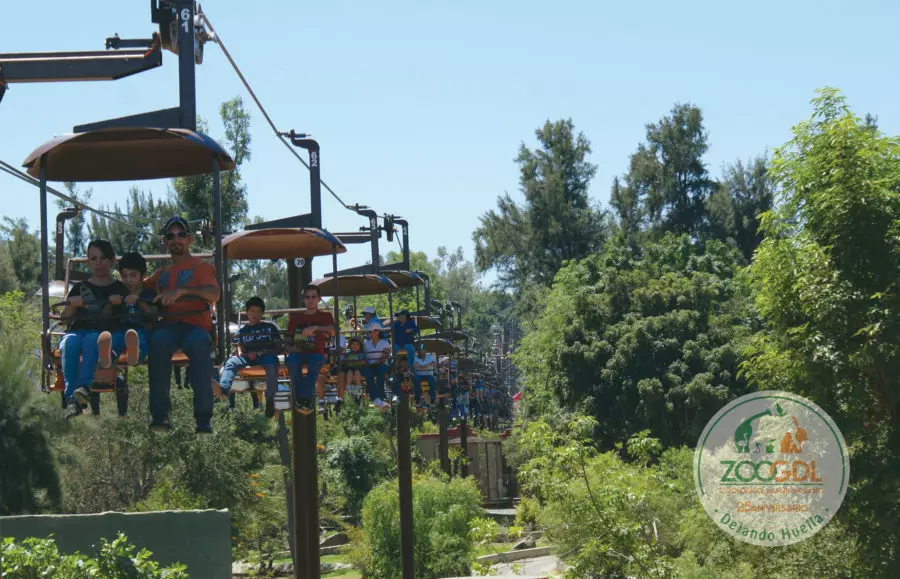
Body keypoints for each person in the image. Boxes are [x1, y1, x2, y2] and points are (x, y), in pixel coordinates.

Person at [145, 216, 220, 433]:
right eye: (170, 236)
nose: (175, 239)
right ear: (165, 242)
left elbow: (214, 293)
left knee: (198, 345)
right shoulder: (161, 275)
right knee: (157, 342)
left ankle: (203, 417)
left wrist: (183, 291)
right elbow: (137, 288)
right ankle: (160, 415)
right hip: (168, 327)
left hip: (195, 327)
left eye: (180, 235)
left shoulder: (202, 268)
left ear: (188, 239)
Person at [59, 239, 128, 419]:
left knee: (92, 340)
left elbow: (127, 316)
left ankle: (83, 387)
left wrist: (115, 304)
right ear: (88, 261)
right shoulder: (80, 288)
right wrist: (73, 305)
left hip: (103, 333)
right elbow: (64, 318)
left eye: (103, 258)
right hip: (78, 330)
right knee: (68, 343)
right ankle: (71, 400)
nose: (98, 263)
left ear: (112, 261)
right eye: (93, 258)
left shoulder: (119, 288)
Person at [219, 296, 282, 418]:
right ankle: (224, 388)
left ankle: (270, 399)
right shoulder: (242, 331)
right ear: (247, 312)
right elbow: (239, 347)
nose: (255, 314)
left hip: (266, 356)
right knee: (231, 362)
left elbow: (278, 347)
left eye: (258, 311)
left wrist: (263, 352)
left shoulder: (270, 327)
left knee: (272, 363)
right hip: (248, 358)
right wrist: (245, 353)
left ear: (262, 313)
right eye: (252, 311)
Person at [285, 284, 335, 415]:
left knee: (314, 367)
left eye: (313, 297)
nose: (310, 299)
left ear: (319, 299)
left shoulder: (326, 316)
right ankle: (304, 402)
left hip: (316, 352)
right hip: (298, 352)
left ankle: (301, 401)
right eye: (307, 297)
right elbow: (289, 338)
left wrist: (316, 328)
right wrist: (291, 348)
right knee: (292, 363)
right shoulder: (295, 318)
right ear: (304, 300)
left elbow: (333, 330)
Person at [363, 322, 391, 410]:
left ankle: (379, 398)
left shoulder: (384, 343)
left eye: (371, 332)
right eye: (369, 332)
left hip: (381, 364)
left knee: (380, 372)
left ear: (378, 332)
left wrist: (372, 363)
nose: (370, 334)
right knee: (367, 373)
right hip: (370, 365)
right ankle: (377, 398)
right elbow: (364, 356)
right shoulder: (366, 344)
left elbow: (384, 357)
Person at [391, 309, 417, 374]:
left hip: (407, 343)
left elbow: (416, 330)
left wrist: (411, 330)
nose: (399, 317)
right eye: (399, 316)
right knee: (394, 348)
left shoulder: (410, 323)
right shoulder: (395, 324)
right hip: (397, 343)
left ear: (406, 316)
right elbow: (392, 333)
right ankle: (396, 367)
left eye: (401, 315)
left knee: (410, 349)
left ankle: (410, 367)